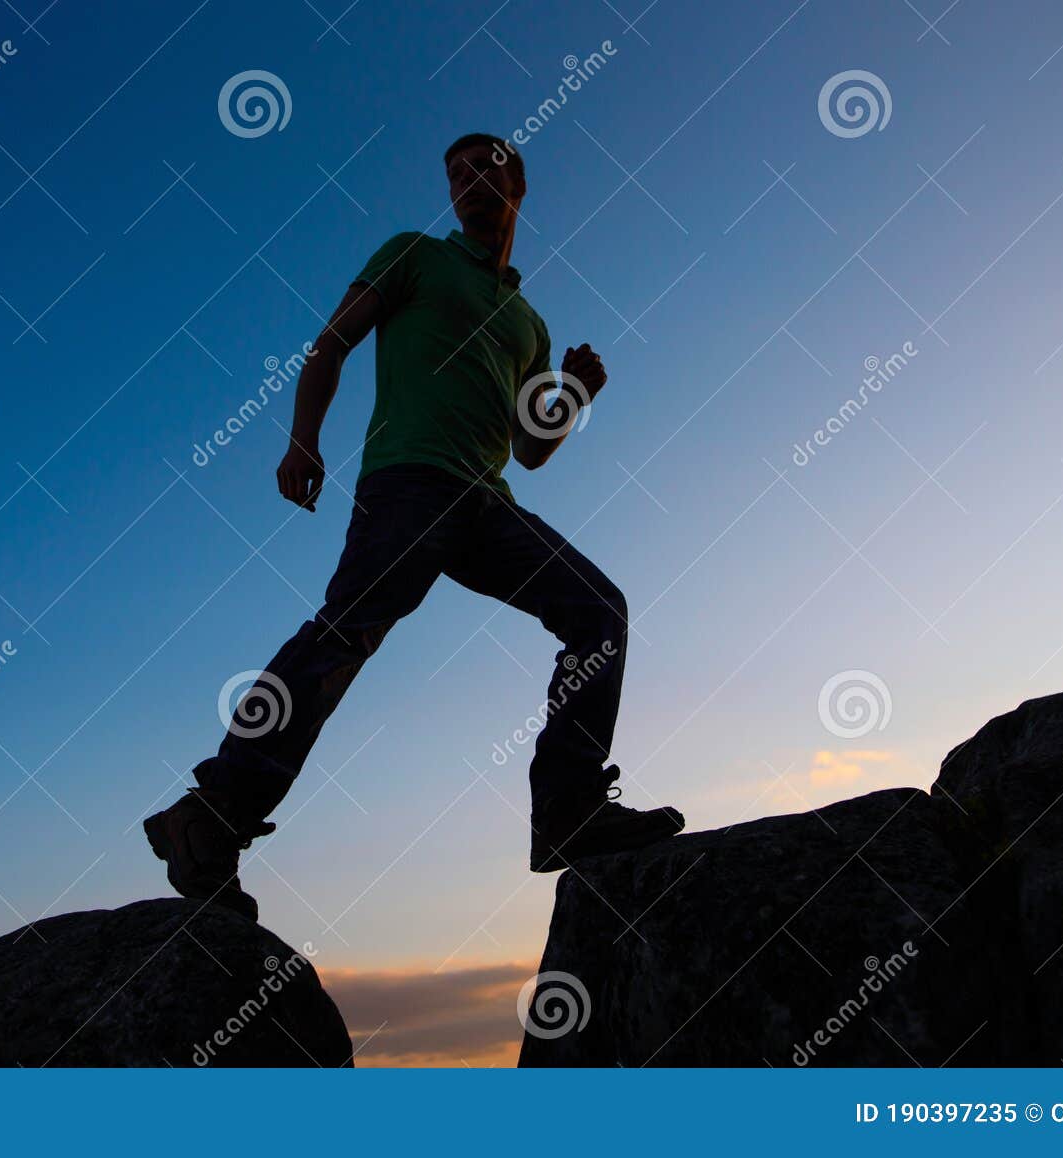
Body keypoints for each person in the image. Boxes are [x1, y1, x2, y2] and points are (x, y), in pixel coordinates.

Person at [145, 133, 685, 921]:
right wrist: (303, 438)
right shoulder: (414, 256)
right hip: (407, 482)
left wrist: (569, 391)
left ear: (519, 184)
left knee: (600, 613)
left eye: (485, 168)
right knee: (345, 634)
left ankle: (568, 811)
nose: (468, 183)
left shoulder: (527, 322)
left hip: (487, 502)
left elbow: (531, 449)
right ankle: (212, 815)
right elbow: (332, 341)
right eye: (455, 175)